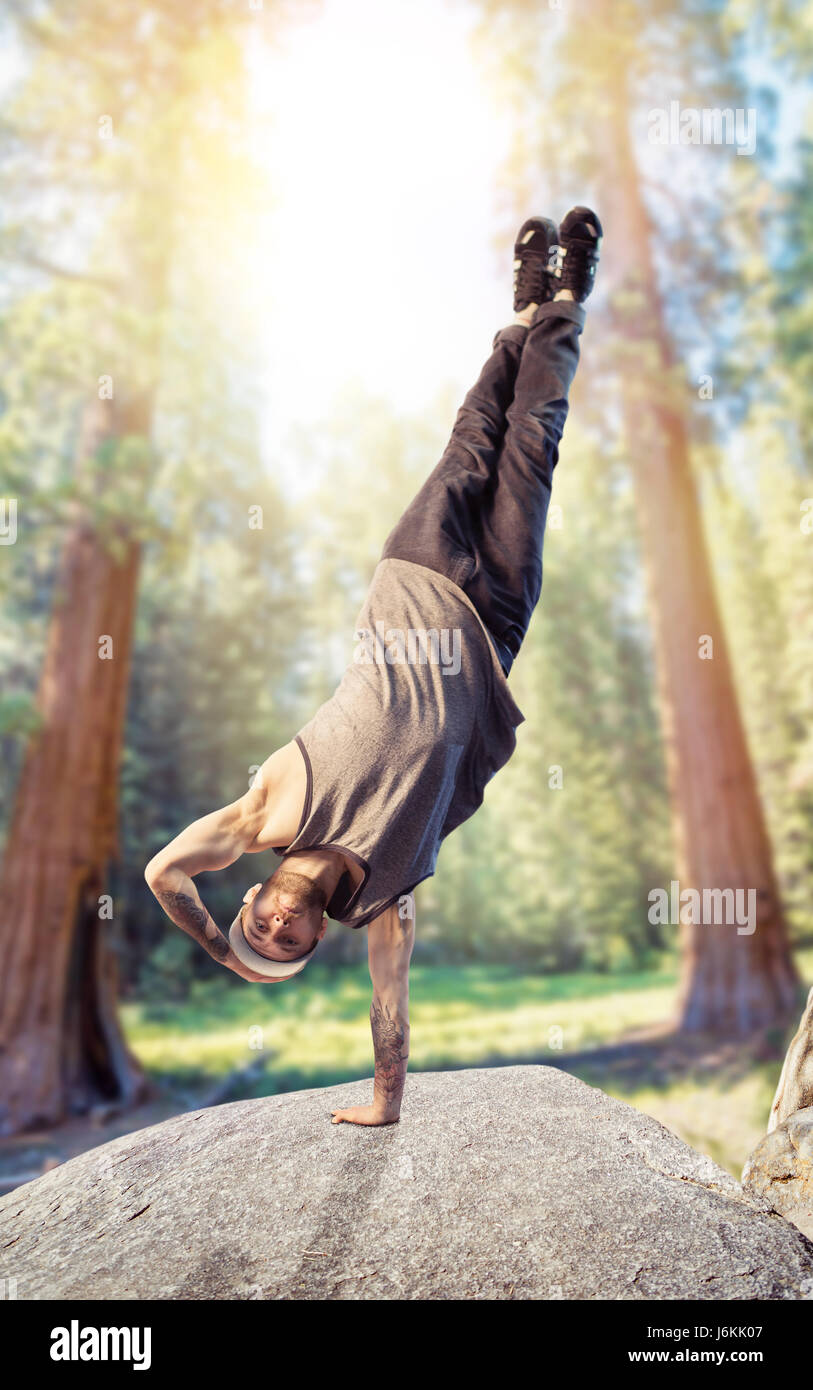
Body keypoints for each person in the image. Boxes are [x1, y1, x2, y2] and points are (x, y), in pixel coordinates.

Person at [144, 206, 602, 1127]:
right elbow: (389, 1005)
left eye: (261, 927)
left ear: (252, 902)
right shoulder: (384, 898)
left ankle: (519, 319)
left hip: (411, 575)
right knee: (532, 447)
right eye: (290, 944)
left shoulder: (257, 817)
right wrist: (386, 1101)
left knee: (472, 437)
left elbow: (162, 875)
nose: (279, 927)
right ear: (318, 937)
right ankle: (564, 299)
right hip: (493, 624)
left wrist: (225, 957)